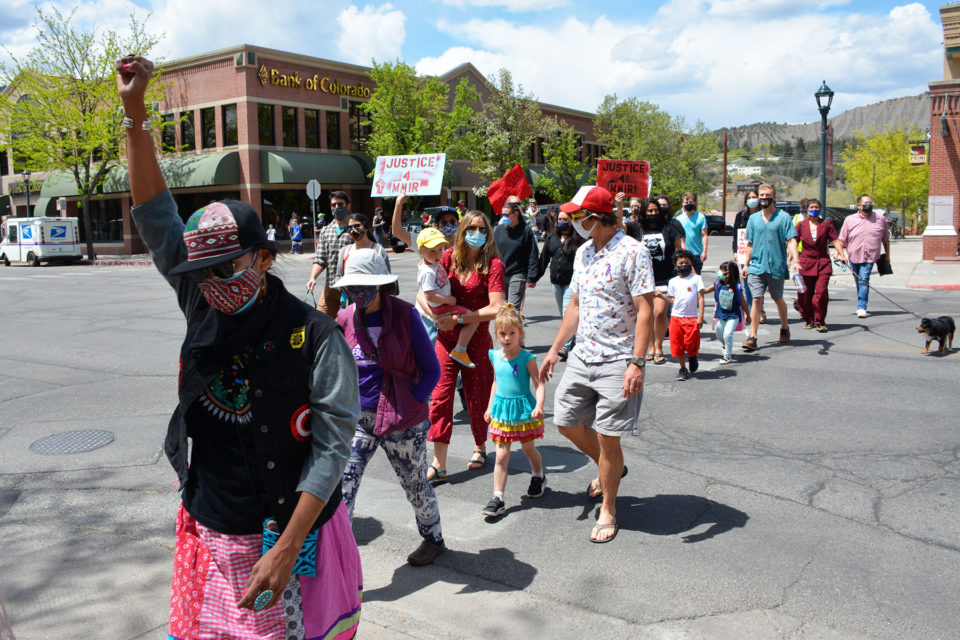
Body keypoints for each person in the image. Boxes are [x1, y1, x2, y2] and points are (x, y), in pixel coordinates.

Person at [117, 55, 363, 638]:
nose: (213, 284)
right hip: (212, 523)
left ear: (263, 258)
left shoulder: (318, 337)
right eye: (201, 272)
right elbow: (155, 212)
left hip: (288, 534)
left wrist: (285, 549)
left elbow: (331, 451)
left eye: (228, 268)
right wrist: (133, 114)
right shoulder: (198, 294)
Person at [539, 185, 654, 544]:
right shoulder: (583, 252)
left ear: (596, 217)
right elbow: (574, 305)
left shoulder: (633, 252)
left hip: (618, 358)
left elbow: (646, 309)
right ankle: (612, 468)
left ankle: (608, 507)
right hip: (582, 355)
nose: (573, 221)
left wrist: (637, 362)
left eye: (577, 215)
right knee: (566, 422)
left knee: (608, 436)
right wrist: (555, 348)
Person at [334, 248, 446, 566]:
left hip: (402, 419)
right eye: (351, 288)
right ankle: (340, 554)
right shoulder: (344, 319)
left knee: (414, 483)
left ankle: (433, 538)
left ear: (381, 285)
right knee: (343, 486)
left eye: (364, 286)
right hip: (358, 419)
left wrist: (411, 404)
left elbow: (431, 371)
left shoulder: (405, 314)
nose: (357, 294)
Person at [422, 211, 505, 479]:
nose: (477, 234)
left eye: (483, 229)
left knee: (477, 396)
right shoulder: (446, 259)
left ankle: (480, 446)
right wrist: (437, 317)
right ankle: (439, 462)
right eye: (472, 228)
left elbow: (497, 308)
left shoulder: (493, 264)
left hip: (477, 340)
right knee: (440, 398)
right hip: (446, 341)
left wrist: (460, 317)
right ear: (462, 230)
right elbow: (421, 293)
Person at [481, 302, 546, 517]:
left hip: (523, 411)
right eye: (502, 333)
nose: (507, 338)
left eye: (512, 333)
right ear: (496, 333)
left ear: (520, 333)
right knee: (501, 456)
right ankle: (497, 497)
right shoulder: (495, 356)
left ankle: (538, 475)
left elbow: (539, 384)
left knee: (528, 449)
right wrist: (489, 407)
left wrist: (539, 405)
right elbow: (495, 383)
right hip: (502, 411)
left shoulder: (527, 359)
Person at [742, 183, 799, 351]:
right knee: (757, 299)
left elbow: (792, 240)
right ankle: (752, 337)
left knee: (777, 298)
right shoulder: (753, 219)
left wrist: (797, 261)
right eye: (762, 195)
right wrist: (746, 264)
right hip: (756, 266)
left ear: (774, 197)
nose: (764, 198)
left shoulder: (784, 217)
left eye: (767, 195)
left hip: (776, 265)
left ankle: (784, 326)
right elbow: (750, 243)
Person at [416, 227, 479, 368]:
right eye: (432, 251)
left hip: (442, 306)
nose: (437, 254)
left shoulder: (431, 264)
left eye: (440, 249)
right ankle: (460, 350)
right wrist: (448, 300)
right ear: (421, 252)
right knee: (474, 319)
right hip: (443, 307)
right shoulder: (427, 272)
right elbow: (429, 295)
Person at [636, 198, 685, 364]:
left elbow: (679, 251)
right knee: (647, 314)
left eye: (655, 210)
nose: (653, 214)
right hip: (643, 279)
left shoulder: (670, 228)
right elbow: (619, 228)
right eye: (649, 211)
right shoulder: (638, 229)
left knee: (659, 312)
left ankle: (659, 347)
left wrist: (684, 272)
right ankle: (650, 347)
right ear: (644, 213)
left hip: (666, 277)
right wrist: (620, 205)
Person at [536, 207, 584, 360]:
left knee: (566, 314)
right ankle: (574, 337)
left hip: (572, 283)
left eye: (566, 219)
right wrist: (533, 278)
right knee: (565, 315)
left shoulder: (579, 238)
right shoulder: (552, 237)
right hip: (556, 283)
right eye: (560, 220)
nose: (563, 222)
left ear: (572, 221)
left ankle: (565, 345)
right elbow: (543, 259)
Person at [795, 199, 846, 332]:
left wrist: (842, 255)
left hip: (823, 263)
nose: (814, 209)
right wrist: (792, 260)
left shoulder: (827, 224)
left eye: (817, 207)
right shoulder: (801, 225)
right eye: (811, 207)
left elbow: (835, 240)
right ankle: (809, 320)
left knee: (821, 293)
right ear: (807, 209)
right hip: (806, 263)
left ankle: (820, 320)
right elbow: (793, 243)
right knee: (805, 295)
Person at [838, 194, 890, 318]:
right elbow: (841, 240)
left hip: (870, 256)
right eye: (866, 203)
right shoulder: (850, 219)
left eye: (871, 203)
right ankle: (861, 301)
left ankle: (861, 307)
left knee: (864, 279)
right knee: (859, 281)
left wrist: (888, 256)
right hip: (853, 256)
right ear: (859, 206)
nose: (869, 205)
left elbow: (885, 240)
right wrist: (841, 255)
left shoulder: (880, 219)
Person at [306, 191, 354, 318]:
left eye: (340, 204)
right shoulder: (325, 231)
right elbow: (320, 259)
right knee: (322, 322)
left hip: (352, 289)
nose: (337, 207)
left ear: (348, 206)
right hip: (331, 288)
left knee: (351, 328)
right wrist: (313, 278)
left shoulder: (355, 229)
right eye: (334, 205)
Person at [660, 250, 704, 381]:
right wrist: (661, 297)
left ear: (691, 264)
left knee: (690, 343)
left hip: (691, 317)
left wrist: (700, 316)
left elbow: (700, 298)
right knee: (677, 344)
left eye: (686, 263)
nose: (683, 265)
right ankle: (682, 368)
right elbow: (672, 300)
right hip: (675, 317)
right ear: (675, 266)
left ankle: (692, 356)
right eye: (681, 263)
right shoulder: (673, 281)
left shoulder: (696, 279)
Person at [494, 196, 539, 309]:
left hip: (518, 274)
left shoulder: (526, 230)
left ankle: (511, 325)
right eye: (502, 215)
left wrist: (531, 277)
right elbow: (491, 251)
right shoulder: (499, 230)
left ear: (516, 214)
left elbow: (532, 254)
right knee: (501, 309)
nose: (503, 218)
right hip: (500, 274)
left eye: (506, 215)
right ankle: (505, 327)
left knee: (511, 309)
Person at [703, 261, 748, 364]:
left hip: (733, 316)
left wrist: (748, 315)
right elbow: (704, 291)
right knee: (719, 335)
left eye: (722, 271)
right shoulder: (718, 285)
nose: (719, 273)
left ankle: (727, 356)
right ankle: (726, 346)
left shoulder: (736, 287)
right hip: (722, 315)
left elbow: (743, 302)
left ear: (729, 273)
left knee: (727, 334)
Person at [731, 190, 765, 324]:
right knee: (747, 282)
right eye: (749, 197)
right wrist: (735, 251)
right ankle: (752, 310)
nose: (752, 200)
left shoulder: (764, 214)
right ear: (746, 200)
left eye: (754, 197)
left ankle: (759, 310)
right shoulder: (741, 216)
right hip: (744, 253)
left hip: (760, 252)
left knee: (759, 283)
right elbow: (735, 235)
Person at [335, 213, 390, 281]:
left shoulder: (379, 251)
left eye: (357, 226)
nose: (353, 230)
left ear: (366, 227)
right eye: (350, 227)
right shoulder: (344, 251)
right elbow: (338, 276)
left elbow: (388, 277)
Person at [676, 192, 708, 274]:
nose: (688, 204)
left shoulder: (701, 217)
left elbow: (704, 235)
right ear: (683, 204)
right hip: (683, 254)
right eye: (686, 202)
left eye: (690, 202)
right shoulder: (678, 219)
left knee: (696, 278)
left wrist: (704, 252)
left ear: (694, 203)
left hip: (697, 254)